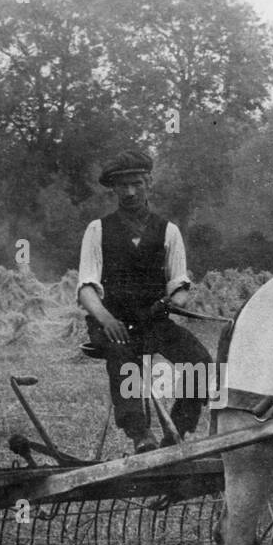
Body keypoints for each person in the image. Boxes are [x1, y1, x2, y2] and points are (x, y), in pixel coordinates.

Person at [77, 150, 213, 453]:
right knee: (123, 357)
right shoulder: (97, 230)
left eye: (136, 183)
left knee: (202, 364)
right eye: (122, 185)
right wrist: (106, 319)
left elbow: (180, 285)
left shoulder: (169, 231)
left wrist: (170, 302)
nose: (129, 192)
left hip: (154, 320)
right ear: (113, 188)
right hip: (114, 324)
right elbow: (86, 288)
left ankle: (177, 431)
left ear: (148, 182)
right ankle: (140, 435)